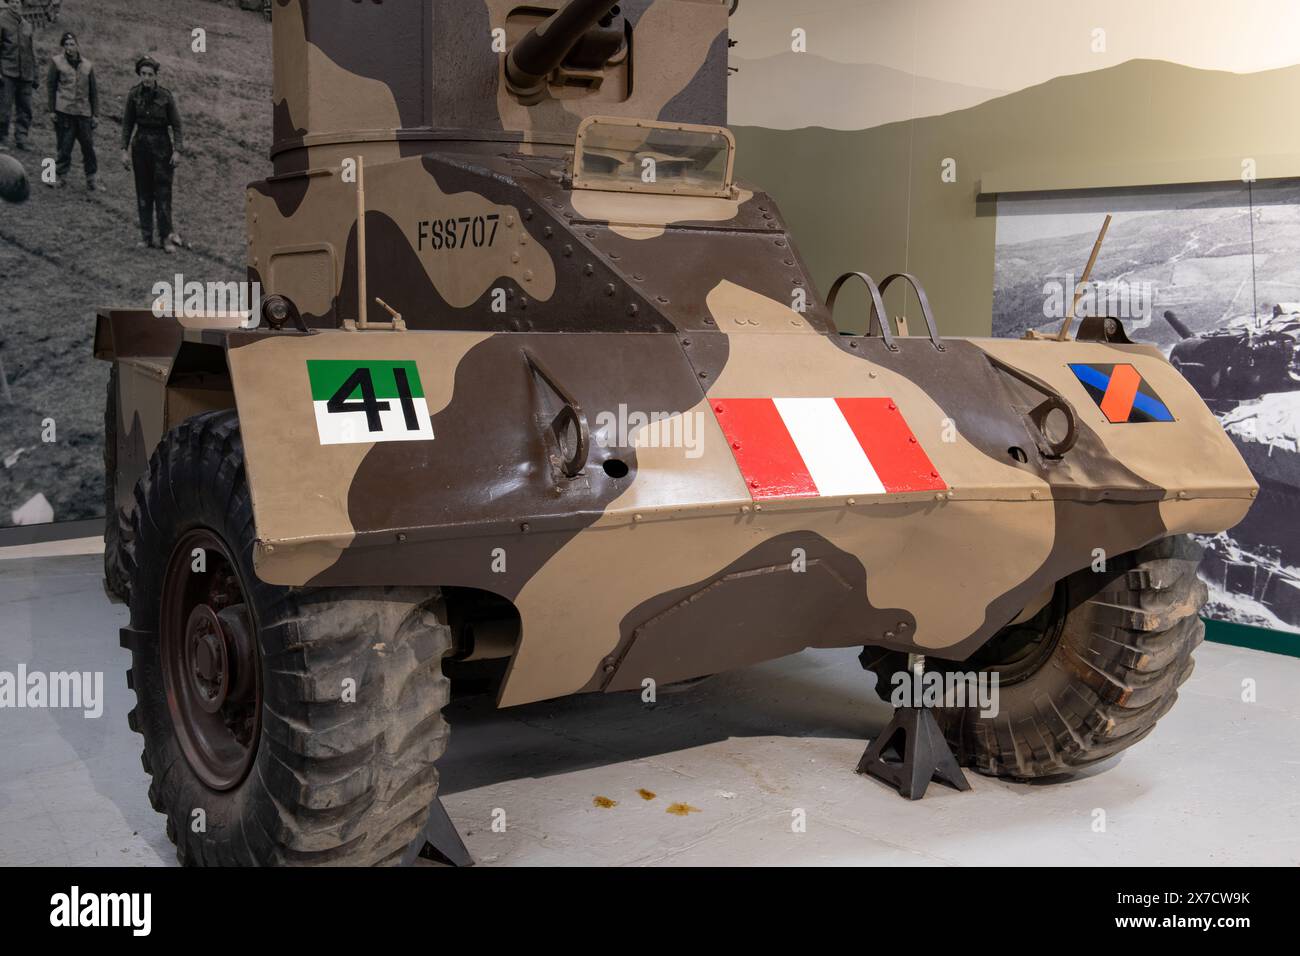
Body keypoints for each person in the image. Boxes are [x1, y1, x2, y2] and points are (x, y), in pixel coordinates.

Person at [121, 55, 183, 252]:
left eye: (150, 74)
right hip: (140, 148)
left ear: (156, 75)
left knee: (163, 193)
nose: (146, 78)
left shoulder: (166, 97)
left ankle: (165, 237)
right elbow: (127, 124)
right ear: (139, 75)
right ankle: (146, 237)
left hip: (162, 149)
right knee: (143, 193)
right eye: (143, 74)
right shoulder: (133, 95)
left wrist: (178, 150)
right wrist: (124, 149)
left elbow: (177, 125)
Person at [46, 30, 97, 189]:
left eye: (72, 44)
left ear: (77, 45)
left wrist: (95, 114)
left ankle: (92, 179)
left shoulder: (88, 65)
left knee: (88, 146)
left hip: (83, 113)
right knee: (64, 146)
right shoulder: (56, 62)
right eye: (66, 44)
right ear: (63, 46)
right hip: (64, 111)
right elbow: (51, 87)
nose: (70, 47)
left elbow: (93, 91)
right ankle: (59, 176)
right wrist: (52, 110)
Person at [0, 0, 38, 150]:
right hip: (7, 72)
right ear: (8, 4)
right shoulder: (1, 21)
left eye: (18, 2)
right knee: (4, 107)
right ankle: (2, 138)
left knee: (25, 108)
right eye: (13, 2)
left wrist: (35, 74)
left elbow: (31, 52)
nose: (15, 5)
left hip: (26, 74)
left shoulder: (27, 25)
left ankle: (21, 138)